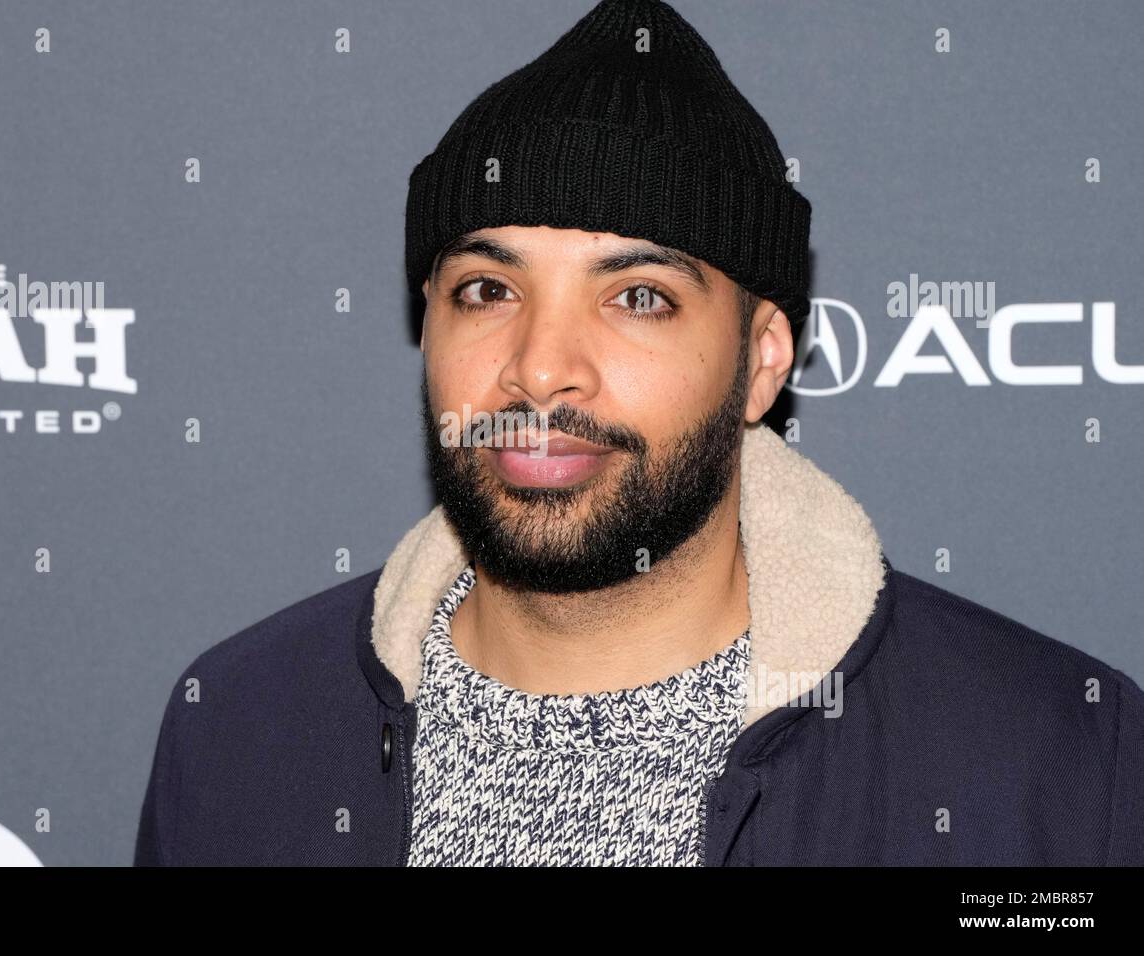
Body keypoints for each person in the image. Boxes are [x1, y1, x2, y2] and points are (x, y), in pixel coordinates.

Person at [135, 0, 1144, 866]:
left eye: (639, 297)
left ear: (761, 360)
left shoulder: (1051, 760)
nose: (539, 366)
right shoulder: (239, 728)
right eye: (487, 289)